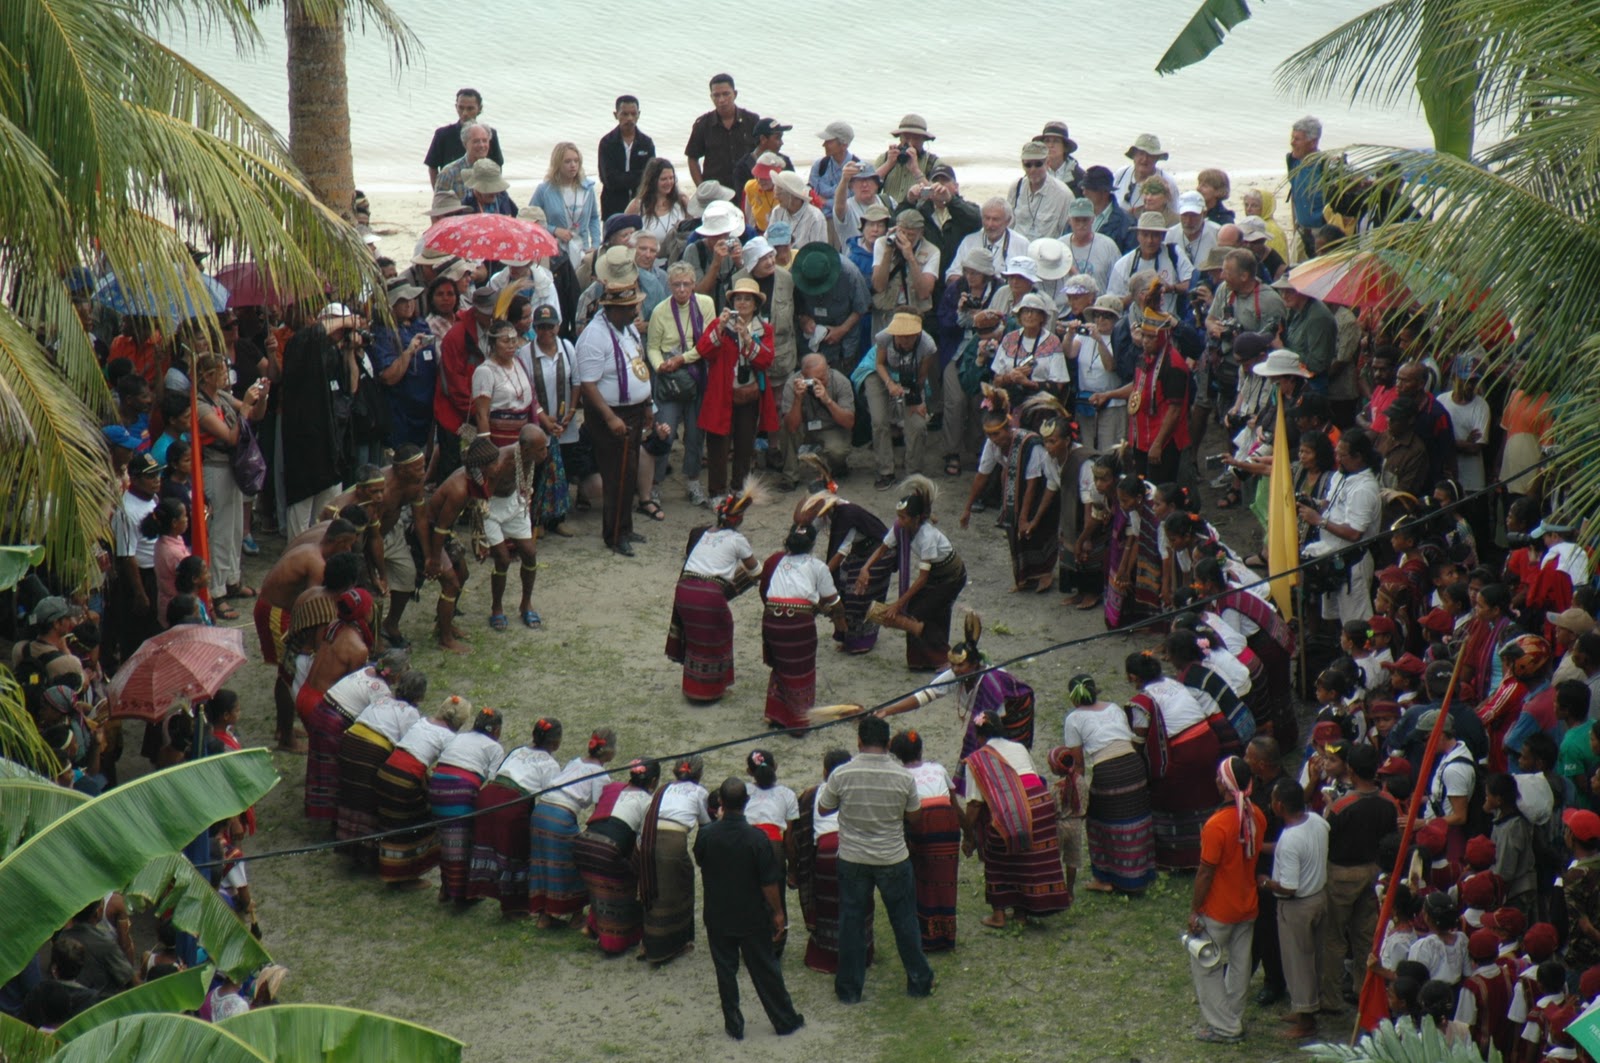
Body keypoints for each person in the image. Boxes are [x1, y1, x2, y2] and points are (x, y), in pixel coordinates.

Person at [817, 715, 934, 1003]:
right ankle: (919, 981)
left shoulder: (841, 775)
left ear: (859, 742)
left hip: (853, 858)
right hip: (893, 858)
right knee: (905, 922)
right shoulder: (903, 777)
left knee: (852, 924)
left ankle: (849, 990)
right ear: (887, 743)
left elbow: (823, 809)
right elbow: (916, 817)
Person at [694, 777, 805, 1040]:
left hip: (718, 914)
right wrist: (778, 913)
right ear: (746, 802)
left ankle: (734, 1026)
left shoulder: (707, 835)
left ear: (720, 802)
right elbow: (768, 883)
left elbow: (701, 860)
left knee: (726, 971)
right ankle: (784, 1019)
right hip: (752, 916)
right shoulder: (757, 838)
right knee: (765, 969)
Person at [876, 612, 1035, 792]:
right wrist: (888, 711)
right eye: (953, 665)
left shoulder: (992, 682)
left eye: (961, 666)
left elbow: (990, 725)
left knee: (997, 758)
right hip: (987, 721)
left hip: (1009, 717)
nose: (955, 670)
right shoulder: (955, 675)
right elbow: (926, 695)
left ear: (975, 664)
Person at [1128, 650, 1239, 871]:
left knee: (1168, 795)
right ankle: (1213, 844)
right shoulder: (1174, 683)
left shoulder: (1142, 701)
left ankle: (1180, 857)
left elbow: (1138, 743)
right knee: (1205, 792)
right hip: (1208, 742)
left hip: (1184, 753)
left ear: (1133, 677)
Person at [961, 710, 1071, 928]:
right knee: (1025, 859)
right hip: (1040, 804)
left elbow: (974, 804)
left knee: (996, 856)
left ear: (980, 737)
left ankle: (999, 915)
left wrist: (968, 836)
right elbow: (1033, 776)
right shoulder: (1019, 747)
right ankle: (1021, 913)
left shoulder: (976, 760)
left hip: (1013, 808)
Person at [1188, 756, 1267, 1044]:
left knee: (1207, 966)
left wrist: (1195, 910)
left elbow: (1205, 872)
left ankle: (1224, 1026)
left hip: (1219, 909)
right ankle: (1232, 1016)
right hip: (1247, 905)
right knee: (1240, 965)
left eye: (1218, 777)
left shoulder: (1216, 825)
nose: (1215, 780)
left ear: (1224, 784)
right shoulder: (1257, 815)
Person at [575, 271, 652, 556]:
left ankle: (626, 527)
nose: (635, 311)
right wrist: (610, 418)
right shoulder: (594, 336)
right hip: (611, 414)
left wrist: (647, 405)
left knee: (629, 471)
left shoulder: (628, 329)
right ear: (614, 309)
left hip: (632, 410)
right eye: (630, 307)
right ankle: (614, 534)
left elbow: (637, 365)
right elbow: (588, 385)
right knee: (617, 474)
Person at [858, 476, 968, 671]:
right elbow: (883, 548)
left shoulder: (928, 536)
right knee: (920, 609)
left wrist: (897, 604)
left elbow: (922, 578)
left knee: (920, 612)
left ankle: (942, 658)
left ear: (916, 518)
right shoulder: (900, 528)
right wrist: (865, 568)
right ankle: (921, 661)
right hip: (935, 575)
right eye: (898, 516)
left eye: (903, 517)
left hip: (951, 578)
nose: (899, 521)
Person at [1060, 673, 1156, 893]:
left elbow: (1079, 766)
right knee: (1136, 818)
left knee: (1098, 822)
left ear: (1074, 699)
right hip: (1134, 765)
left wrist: (1076, 796)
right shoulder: (1113, 707)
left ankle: (1104, 878)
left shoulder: (1074, 719)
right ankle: (1141, 872)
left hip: (1108, 771)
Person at [665, 487, 760, 702]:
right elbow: (755, 571)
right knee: (719, 635)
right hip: (709, 597)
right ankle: (712, 690)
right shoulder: (738, 540)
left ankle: (693, 688)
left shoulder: (704, 533)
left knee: (697, 638)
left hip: (684, 590)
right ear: (739, 519)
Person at [960, 391, 1058, 593]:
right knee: (1013, 527)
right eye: (989, 435)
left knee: (1034, 527)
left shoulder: (1030, 444)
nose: (993, 439)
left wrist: (1024, 517)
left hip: (1042, 488)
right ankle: (1025, 576)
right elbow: (982, 475)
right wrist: (967, 507)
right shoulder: (992, 445)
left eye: (996, 434)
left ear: (1008, 428)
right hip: (1016, 487)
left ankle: (1045, 573)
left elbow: (1033, 483)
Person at [468, 716, 563, 917]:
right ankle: (514, 905)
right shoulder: (550, 765)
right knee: (516, 852)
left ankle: (478, 890)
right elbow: (548, 797)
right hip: (511, 805)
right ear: (556, 743)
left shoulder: (518, 751)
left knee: (487, 846)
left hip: (487, 796)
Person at [792, 474, 896, 655]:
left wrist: (818, 577)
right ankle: (847, 636)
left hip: (879, 553)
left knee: (855, 593)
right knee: (842, 586)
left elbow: (839, 556)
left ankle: (862, 640)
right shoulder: (827, 511)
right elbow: (803, 527)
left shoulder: (848, 515)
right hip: (859, 551)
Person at [695, 276, 776, 505]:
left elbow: (766, 361)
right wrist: (720, 327)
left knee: (744, 443)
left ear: (755, 303)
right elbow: (704, 350)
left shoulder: (764, 329)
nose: (742, 303)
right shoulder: (720, 325)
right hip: (722, 393)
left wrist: (748, 339)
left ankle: (739, 488)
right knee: (718, 444)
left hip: (749, 394)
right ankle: (717, 492)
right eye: (738, 298)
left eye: (747, 299)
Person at [372, 695, 467, 889]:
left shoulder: (422, 722)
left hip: (387, 770)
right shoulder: (449, 738)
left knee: (392, 822)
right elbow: (444, 768)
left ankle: (389, 868)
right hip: (406, 780)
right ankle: (405, 875)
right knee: (415, 824)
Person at [336, 667, 426, 869]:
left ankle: (349, 843)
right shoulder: (410, 713)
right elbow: (406, 745)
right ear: (419, 695)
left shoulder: (381, 699)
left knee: (352, 796)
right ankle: (366, 852)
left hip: (349, 740)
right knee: (369, 800)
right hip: (370, 752)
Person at [758, 522, 843, 731]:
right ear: (812, 543)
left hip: (771, 619)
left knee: (781, 665)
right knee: (800, 669)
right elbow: (833, 601)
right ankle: (797, 720)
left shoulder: (777, 561)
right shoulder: (817, 566)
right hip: (798, 623)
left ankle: (776, 714)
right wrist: (841, 624)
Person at [1262, 778, 1330, 1041]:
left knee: (1297, 963)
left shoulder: (1290, 839)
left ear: (1279, 805)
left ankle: (1306, 1020)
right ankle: (1305, 1008)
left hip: (1297, 906)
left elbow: (1289, 886)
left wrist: (1265, 882)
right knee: (1312, 959)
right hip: (1318, 897)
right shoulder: (1315, 820)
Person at [530, 728, 616, 930]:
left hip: (540, 811)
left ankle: (544, 915)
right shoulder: (601, 775)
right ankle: (576, 915)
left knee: (545, 862)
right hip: (560, 817)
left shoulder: (575, 762)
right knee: (577, 862)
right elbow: (600, 810)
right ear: (609, 752)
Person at [574, 757, 658, 954]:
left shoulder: (613, 788)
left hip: (583, 843)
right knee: (628, 882)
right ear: (653, 782)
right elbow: (642, 841)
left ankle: (592, 925)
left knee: (599, 883)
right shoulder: (648, 802)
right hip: (607, 850)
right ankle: (614, 940)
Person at [1299, 429, 1383, 624]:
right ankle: (1338, 648)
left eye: (1342, 455)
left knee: (1359, 623)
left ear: (1358, 457)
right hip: (1332, 558)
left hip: (1353, 561)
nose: (1336, 458)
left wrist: (1319, 520)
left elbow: (1355, 533)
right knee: (1333, 616)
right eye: (1336, 453)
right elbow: (1333, 504)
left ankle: (1371, 648)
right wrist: (1315, 504)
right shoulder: (1341, 475)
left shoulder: (1364, 488)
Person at [889, 728, 959, 950]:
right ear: (921, 749)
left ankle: (927, 936)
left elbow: (900, 812)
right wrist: (969, 833)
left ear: (898, 755)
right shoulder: (938, 768)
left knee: (922, 879)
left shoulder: (899, 776)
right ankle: (946, 935)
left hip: (922, 823)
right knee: (947, 879)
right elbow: (954, 802)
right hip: (948, 822)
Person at [640, 754, 712, 965]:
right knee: (677, 890)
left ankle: (647, 942)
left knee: (651, 888)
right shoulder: (700, 792)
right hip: (673, 841)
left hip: (648, 840)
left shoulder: (663, 788)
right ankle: (670, 946)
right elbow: (706, 826)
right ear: (698, 774)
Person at [429, 707, 505, 905]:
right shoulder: (494, 747)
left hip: (436, 785)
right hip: (461, 790)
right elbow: (492, 780)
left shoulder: (459, 737)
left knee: (445, 839)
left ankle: (446, 887)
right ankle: (461, 893)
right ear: (496, 731)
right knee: (462, 843)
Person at [864, 312, 936, 489]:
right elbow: (879, 364)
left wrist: (919, 400)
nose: (904, 341)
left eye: (909, 337)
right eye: (901, 336)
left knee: (918, 424)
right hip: (878, 373)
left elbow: (922, 377)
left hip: (911, 375)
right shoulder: (884, 338)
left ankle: (913, 471)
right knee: (879, 420)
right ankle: (885, 470)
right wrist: (889, 383)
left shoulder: (928, 345)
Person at [780, 353, 856, 487]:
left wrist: (828, 401)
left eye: (824, 376)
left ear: (828, 368)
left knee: (837, 451)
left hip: (830, 428)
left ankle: (837, 466)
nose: (821, 382)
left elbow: (849, 422)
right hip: (804, 428)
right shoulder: (792, 384)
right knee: (784, 425)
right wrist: (798, 399)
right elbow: (791, 426)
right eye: (815, 379)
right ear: (803, 377)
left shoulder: (840, 381)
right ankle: (790, 476)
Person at [530, 143, 600, 271]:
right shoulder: (544, 190)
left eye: (576, 161)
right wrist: (554, 230)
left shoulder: (587, 188)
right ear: (558, 164)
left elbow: (594, 218)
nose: (573, 165)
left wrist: (595, 244)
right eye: (567, 161)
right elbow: (530, 221)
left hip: (582, 248)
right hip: (555, 253)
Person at [684, 74, 759, 189]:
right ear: (711, 97)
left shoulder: (752, 120)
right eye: (716, 95)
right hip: (716, 191)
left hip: (748, 189)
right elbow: (692, 157)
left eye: (726, 94)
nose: (722, 100)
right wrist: (701, 187)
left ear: (735, 94)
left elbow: (763, 151)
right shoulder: (703, 124)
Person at [423, 88, 503, 187]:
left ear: (479, 108)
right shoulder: (443, 135)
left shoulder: (489, 134)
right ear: (456, 107)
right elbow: (432, 167)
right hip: (451, 191)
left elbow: (497, 166)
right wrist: (438, 194)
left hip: (482, 192)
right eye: (461, 108)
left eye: (470, 108)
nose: (465, 113)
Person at [597, 94, 655, 218]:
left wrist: (623, 177)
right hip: (613, 207)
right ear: (616, 114)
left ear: (639, 114)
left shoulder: (646, 143)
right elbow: (608, 179)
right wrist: (638, 176)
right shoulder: (607, 143)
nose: (629, 118)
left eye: (633, 114)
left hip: (641, 206)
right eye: (625, 114)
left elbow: (651, 176)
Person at [1287, 116, 1325, 259]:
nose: (1292, 143)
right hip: (1301, 232)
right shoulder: (1293, 162)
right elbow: (1295, 196)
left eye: (1297, 139)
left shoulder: (1325, 166)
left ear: (1313, 142)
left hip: (1321, 234)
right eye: (1292, 138)